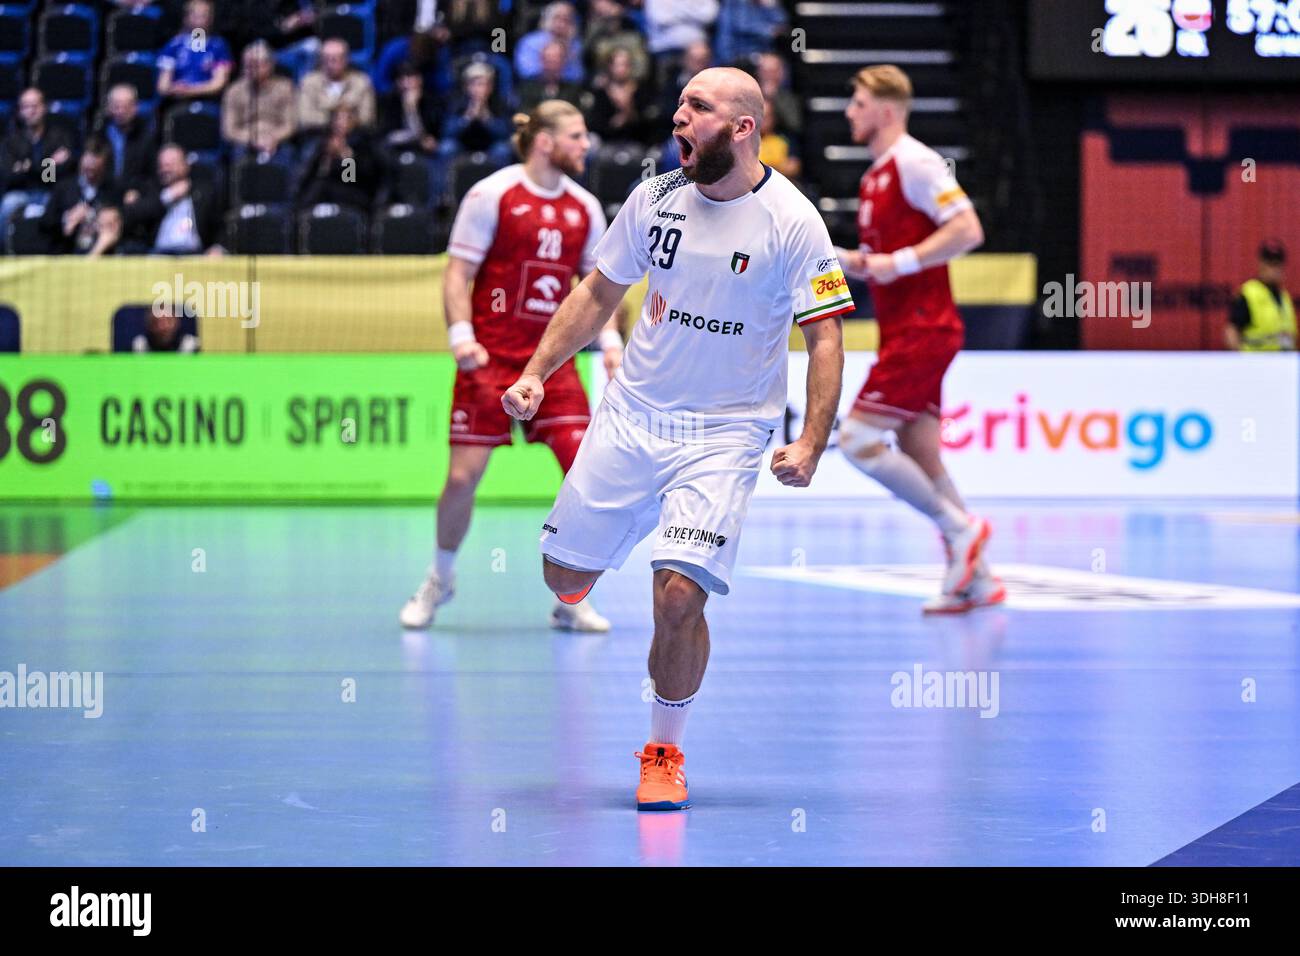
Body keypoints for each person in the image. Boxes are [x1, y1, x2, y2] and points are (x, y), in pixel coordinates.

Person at [501, 69, 852, 810]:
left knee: (679, 597)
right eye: (681, 103)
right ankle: (610, 537)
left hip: (725, 433)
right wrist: (537, 372)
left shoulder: (793, 222)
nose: (677, 117)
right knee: (561, 577)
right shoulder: (654, 198)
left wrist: (812, 442)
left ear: (743, 128)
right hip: (632, 418)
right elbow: (598, 292)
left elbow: (824, 336)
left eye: (697, 107)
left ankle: (664, 751)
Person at [399, 101, 626, 634]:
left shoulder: (586, 208)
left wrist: (610, 341)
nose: (586, 145)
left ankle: (570, 596)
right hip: (493, 359)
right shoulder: (493, 194)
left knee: (582, 475)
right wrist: (462, 338)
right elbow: (458, 274)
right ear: (544, 142)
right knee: (462, 478)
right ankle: (441, 577)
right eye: (576, 135)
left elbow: (598, 289)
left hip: (553, 364)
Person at [832, 65, 999, 615]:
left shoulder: (916, 162)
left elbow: (967, 230)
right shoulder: (875, 176)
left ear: (885, 109)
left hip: (925, 330)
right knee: (921, 452)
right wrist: (840, 260)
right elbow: (881, 263)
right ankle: (980, 579)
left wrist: (898, 262)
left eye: (857, 102)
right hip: (903, 330)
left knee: (857, 440)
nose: (849, 112)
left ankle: (961, 529)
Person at [121, 143, 225, 254]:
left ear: (186, 165)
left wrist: (218, 247)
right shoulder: (152, 191)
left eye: (171, 164)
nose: (165, 169)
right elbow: (130, 216)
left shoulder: (203, 191)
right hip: (159, 256)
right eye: (162, 165)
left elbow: (220, 223)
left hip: (195, 255)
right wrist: (167, 196)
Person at [0, 89, 75, 225]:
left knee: (62, 205)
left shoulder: (59, 137)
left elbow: (54, 176)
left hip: (50, 192)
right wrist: (50, 162)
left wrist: (26, 167)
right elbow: (9, 176)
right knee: (7, 204)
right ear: (20, 111)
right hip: (21, 192)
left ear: (44, 107)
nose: (31, 111)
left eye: (35, 106)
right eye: (25, 107)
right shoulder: (11, 141)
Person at [40, 137, 124, 256]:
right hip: (65, 252)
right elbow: (45, 223)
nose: (90, 171)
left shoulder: (113, 190)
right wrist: (66, 219)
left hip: (101, 254)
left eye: (95, 169)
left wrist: (98, 218)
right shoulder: (64, 188)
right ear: (81, 160)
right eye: (87, 167)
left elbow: (120, 220)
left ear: (104, 165)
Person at [222, 41, 298, 163]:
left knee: (288, 154)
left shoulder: (285, 88)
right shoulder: (234, 91)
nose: (249, 70)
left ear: (269, 65)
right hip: (245, 141)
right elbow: (229, 130)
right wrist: (253, 139)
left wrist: (272, 138)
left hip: (277, 140)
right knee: (238, 155)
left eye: (255, 65)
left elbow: (290, 125)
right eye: (247, 65)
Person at [156, 0, 233, 101]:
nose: (199, 20)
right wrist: (174, 89)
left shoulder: (219, 46)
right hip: (176, 100)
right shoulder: (174, 45)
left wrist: (191, 90)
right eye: (195, 15)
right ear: (186, 18)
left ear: (211, 19)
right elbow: (162, 85)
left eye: (204, 15)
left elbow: (218, 83)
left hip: (208, 100)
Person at [1226, 240, 1295, 351]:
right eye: (1270, 264)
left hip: (1282, 363)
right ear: (1260, 264)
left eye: (1277, 264)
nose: (1274, 270)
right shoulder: (1250, 293)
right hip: (1255, 363)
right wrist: (1240, 361)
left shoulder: (1284, 296)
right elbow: (1231, 332)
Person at [298, 38, 377, 133]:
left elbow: (367, 117)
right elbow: (305, 117)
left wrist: (352, 121)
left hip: (354, 134)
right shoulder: (309, 82)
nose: (330, 64)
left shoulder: (361, 82)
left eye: (335, 59)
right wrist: (334, 120)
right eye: (326, 59)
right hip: (319, 134)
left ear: (346, 60)